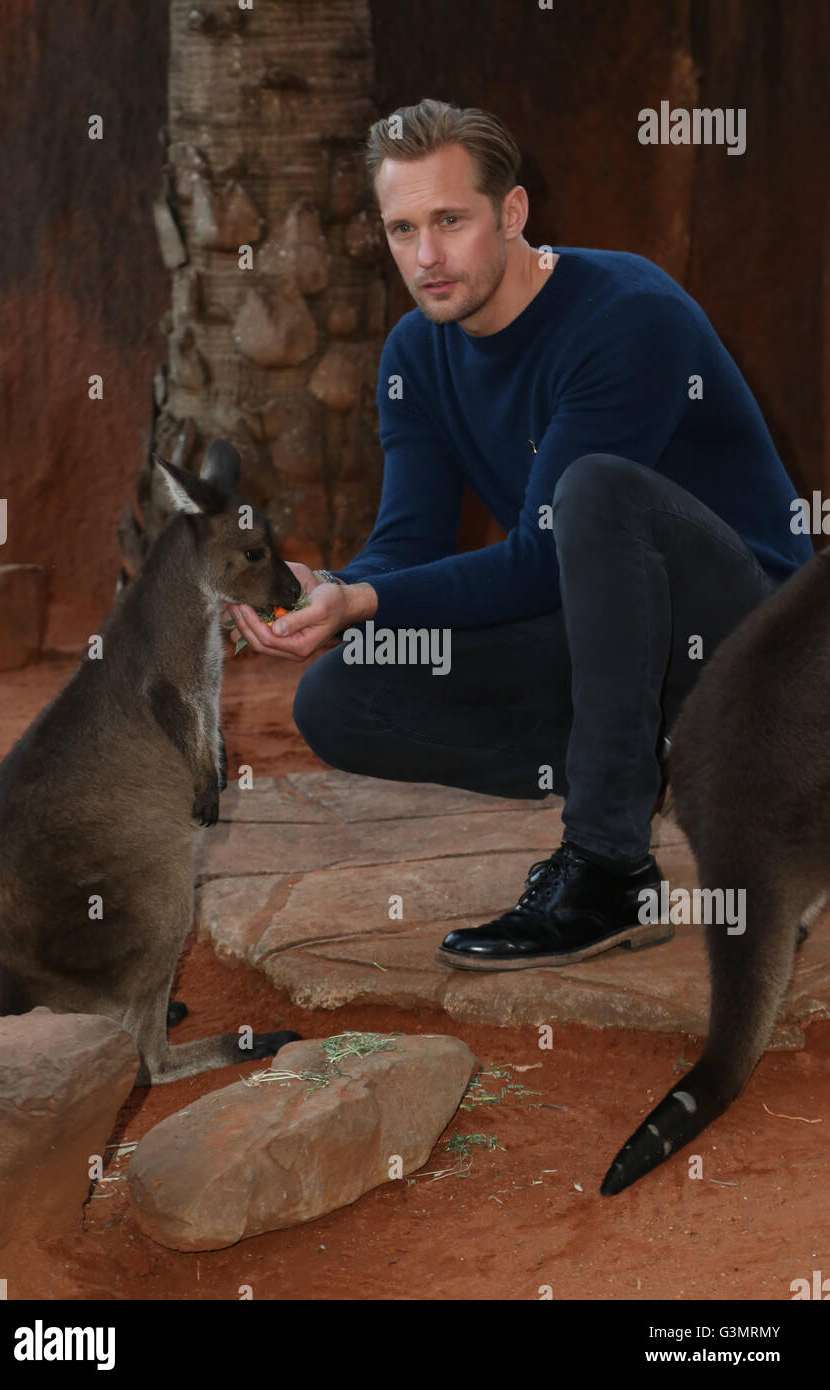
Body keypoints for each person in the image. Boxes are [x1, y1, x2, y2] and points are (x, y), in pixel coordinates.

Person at [226, 98, 812, 972]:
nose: (425, 258)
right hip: (617, 640)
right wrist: (333, 594)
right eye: (402, 229)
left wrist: (369, 596)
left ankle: (611, 863)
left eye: (450, 221)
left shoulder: (627, 314)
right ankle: (646, 760)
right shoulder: (418, 354)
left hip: (759, 649)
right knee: (345, 695)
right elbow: (409, 545)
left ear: (512, 213)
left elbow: (541, 557)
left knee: (595, 492)